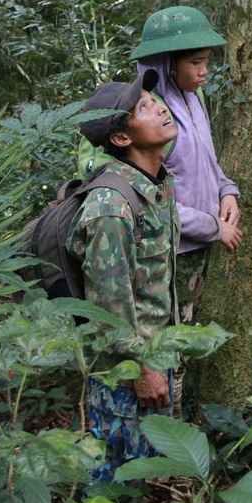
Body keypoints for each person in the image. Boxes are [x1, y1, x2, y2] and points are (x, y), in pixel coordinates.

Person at [71, 69, 183, 482]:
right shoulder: (111, 206)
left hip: (155, 359)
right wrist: (143, 369)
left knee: (144, 479)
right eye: (142, 107)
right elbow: (108, 309)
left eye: (153, 99)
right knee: (114, 489)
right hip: (125, 374)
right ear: (121, 138)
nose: (158, 106)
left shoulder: (158, 186)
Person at [133, 5, 242, 325]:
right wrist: (213, 226)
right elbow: (148, 202)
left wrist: (227, 191)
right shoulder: (151, 119)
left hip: (203, 245)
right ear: (168, 65)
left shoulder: (194, 98)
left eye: (206, 61)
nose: (204, 71)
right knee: (172, 338)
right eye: (195, 63)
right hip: (168, 254)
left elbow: (205, 161)